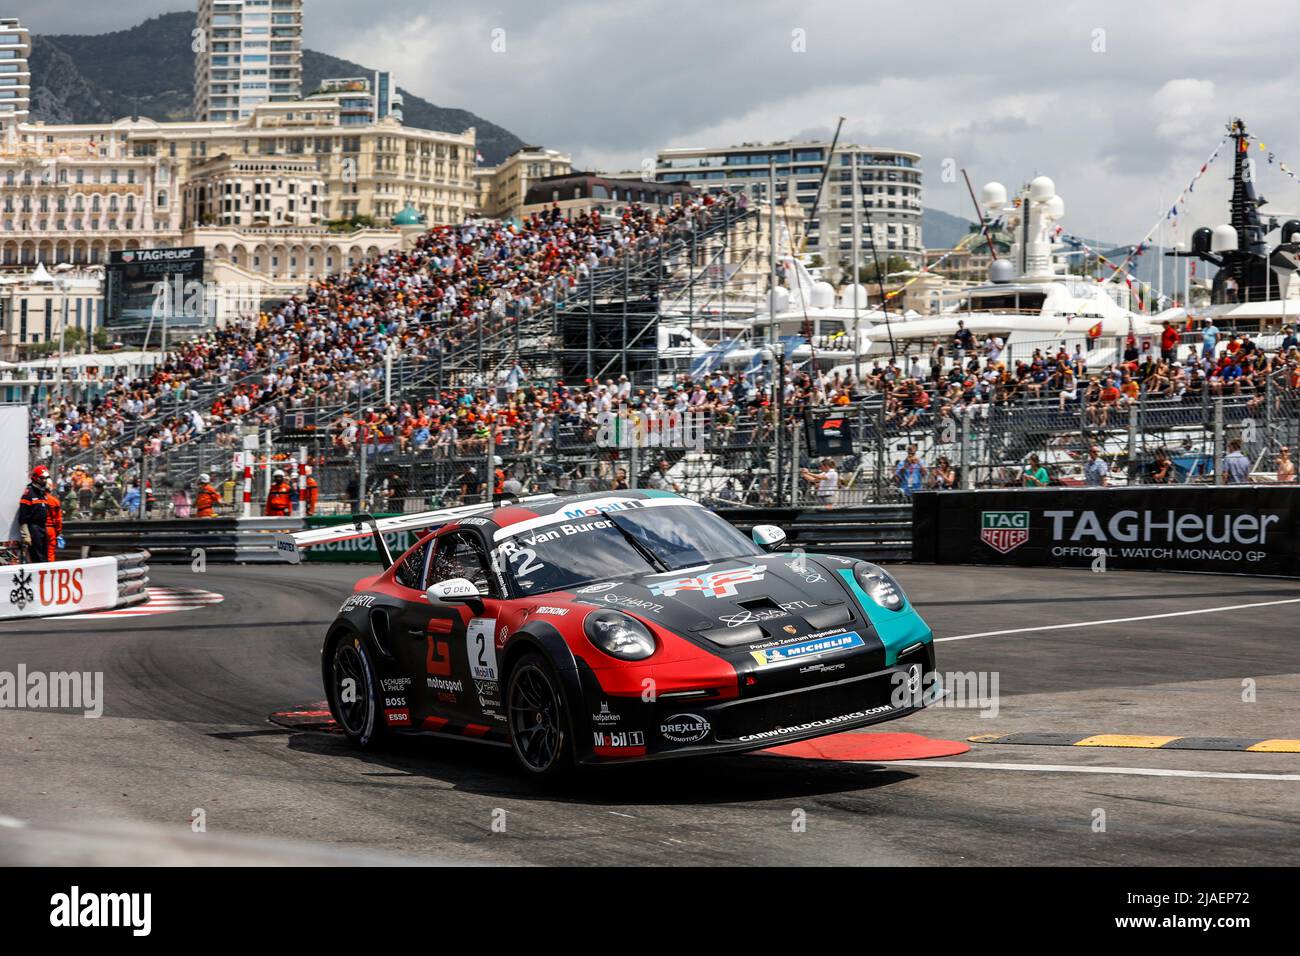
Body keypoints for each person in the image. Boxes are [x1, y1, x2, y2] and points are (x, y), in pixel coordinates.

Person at [18, 465, 62, 563]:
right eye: (42, 478)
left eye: (46, 478)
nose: (44, 480)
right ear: (35, 478)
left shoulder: (42, 494)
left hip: (43, 528)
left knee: (45, 557)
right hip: (34, 529)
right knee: (37, 557)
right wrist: (26, 535)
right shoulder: (28, 494)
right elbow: (22, 517)